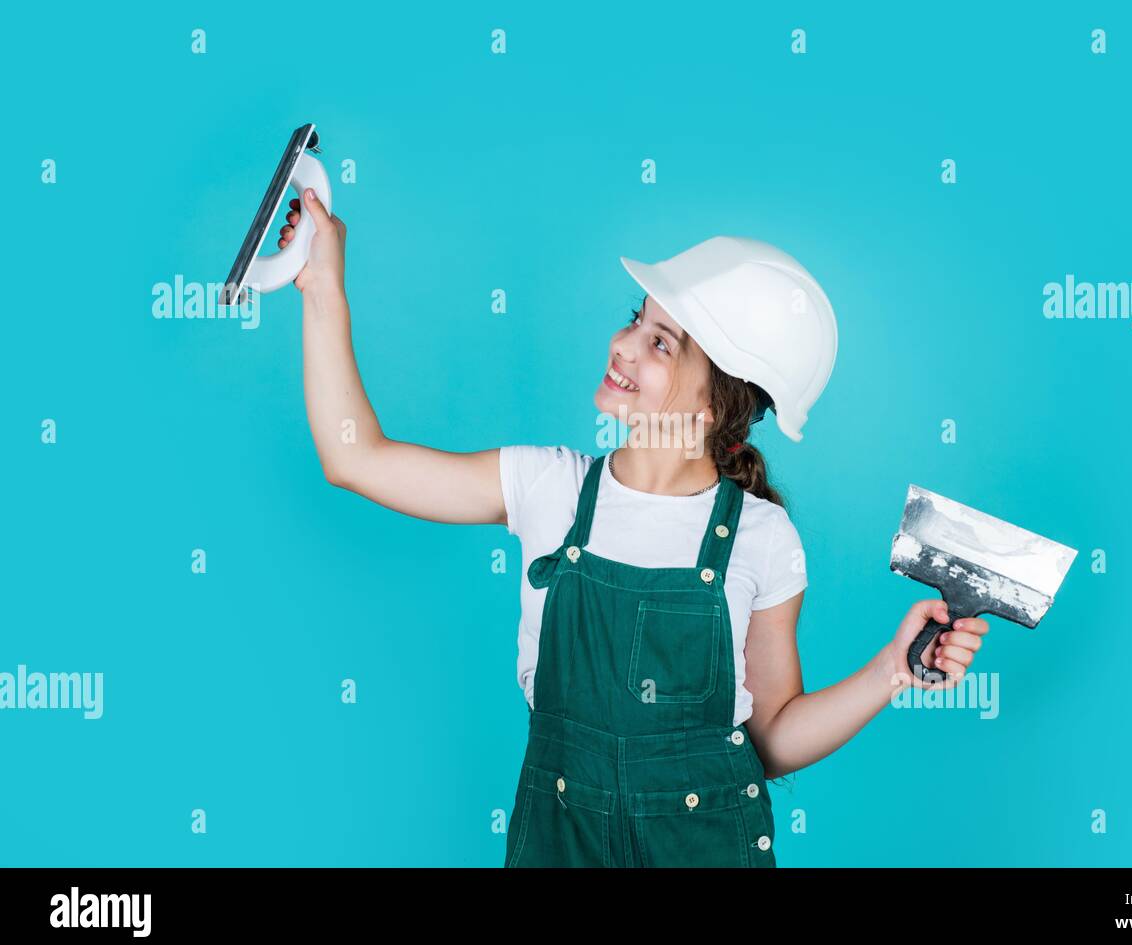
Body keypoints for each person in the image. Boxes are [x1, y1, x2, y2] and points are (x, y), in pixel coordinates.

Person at [280, 190, 990, 867]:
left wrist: (892, 668)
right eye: (635, 321)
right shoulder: (547, 487)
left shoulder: (762, 537)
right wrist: (321, 286)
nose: (622, 345)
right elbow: (354, 457)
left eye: (661, 344)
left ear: (714, 405)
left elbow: (770, 737)